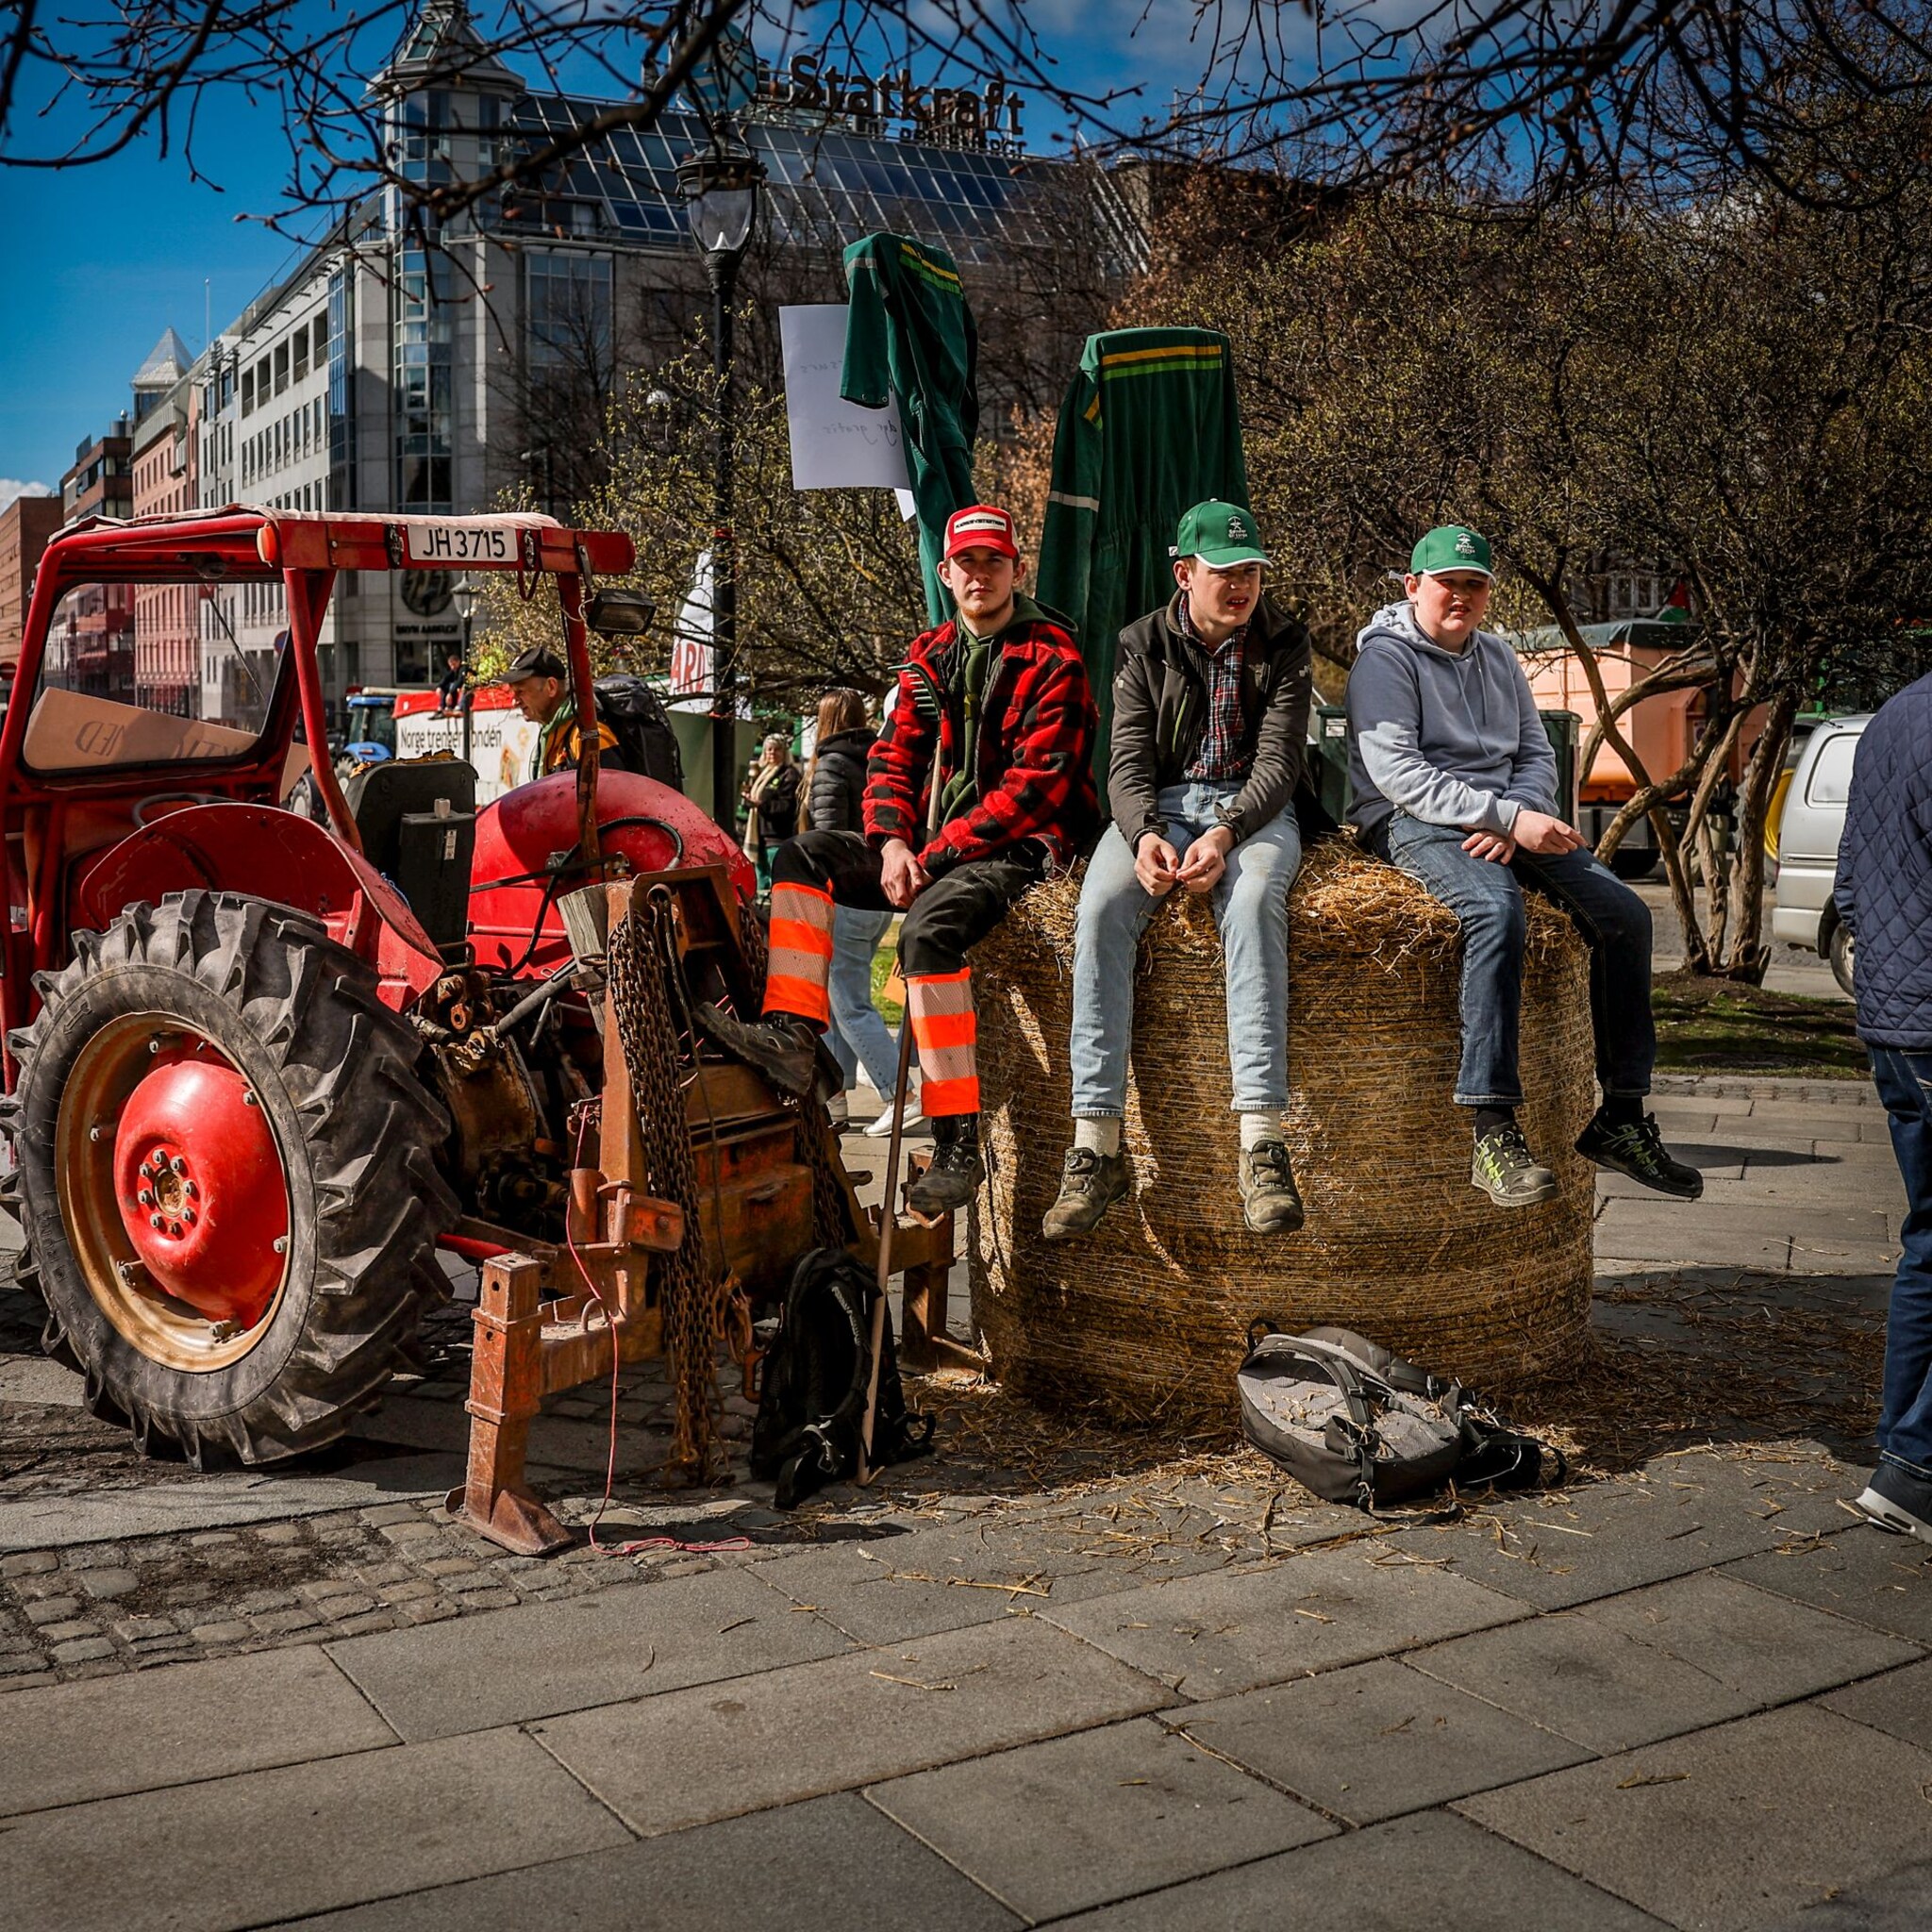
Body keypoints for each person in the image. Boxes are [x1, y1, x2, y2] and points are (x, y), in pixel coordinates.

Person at [700, 503, 1098, 1217]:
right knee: (801, 858)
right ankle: (794, 1035)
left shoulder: (1054, 656)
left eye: (994, 562)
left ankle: (955, 1142)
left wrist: (930, 856)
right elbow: (891, 761)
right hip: (927, 848)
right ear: (945, 573)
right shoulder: (928, 655)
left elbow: (1035, 789)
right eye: (967, 563)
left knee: (926, 934)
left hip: (1019, 849)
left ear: (1017, 571)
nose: (980, 575)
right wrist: (889, 842)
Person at [1345, 525, 1702, 1207]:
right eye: (1448, 583)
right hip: (1408, 816)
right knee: (1494, 910)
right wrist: (1504, 820)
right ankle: (1492, 1129)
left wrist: (1516, 817)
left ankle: (1622, 1117)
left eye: (1475, 585)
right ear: (1413, 586)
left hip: (1504, 814)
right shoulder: (1383, 661)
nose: (1462, 596)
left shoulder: (1499, 656)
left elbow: (1537, 753)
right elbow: (1398, 773)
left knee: (1626, 916)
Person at [1042, 501, 1311, 1241]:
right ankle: (1095, 1147)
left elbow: (1281, 761)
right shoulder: (1141, 642)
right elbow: (1126, 759)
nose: (1242, 585)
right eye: (1226, 572)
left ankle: (1262, 1146)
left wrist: (1226, 832)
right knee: (1099, 909)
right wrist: (1143, 836)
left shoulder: (1285, 641)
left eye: (1252, 571)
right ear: (1184, 572)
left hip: (1252, 810)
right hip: (1159, 805)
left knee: (1254, 900)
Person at [1832, 671, 1932, 1542]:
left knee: (1929, 1243)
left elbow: (1850, 882)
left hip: (1896, 1023)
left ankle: (1906, 1463)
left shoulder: (1894, 715)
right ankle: (1915, 1467)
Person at [803, 688, 923, 1137]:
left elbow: (826, 838)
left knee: (848, 1004)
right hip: (876, 895)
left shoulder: (830, 765)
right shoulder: (874, 757)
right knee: (836, 1005)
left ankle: (899, 1093)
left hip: (844, 895)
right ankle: (836, 1098)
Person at [499, 644, 627, 782]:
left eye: (520, 692)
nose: (515, 702)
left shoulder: (587, 738)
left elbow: (613, 792)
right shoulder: (551, 737)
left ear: (551, 687)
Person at [741, 734, 801, 891]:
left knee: (777, 882)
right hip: (759, 836)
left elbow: (787, 806)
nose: (772, 753)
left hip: (777, 837)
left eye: (777, 749)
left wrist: (761, 804)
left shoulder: (789, 774)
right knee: (761, 882)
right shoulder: (762, 774)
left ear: (784, 752)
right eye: (769, 749)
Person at [436, 648, 471, 717]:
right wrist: (439, 687)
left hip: (467, 685)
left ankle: (458, 707)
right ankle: (443, 707)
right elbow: (446, 678)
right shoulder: (453, 670)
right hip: (459, 687)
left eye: (454, 664)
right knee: (447, 686)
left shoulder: (463, 669)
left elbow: (460, 681)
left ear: (458, 662)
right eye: (451, 665)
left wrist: (450, 693)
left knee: (454, 686)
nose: (452, 667)